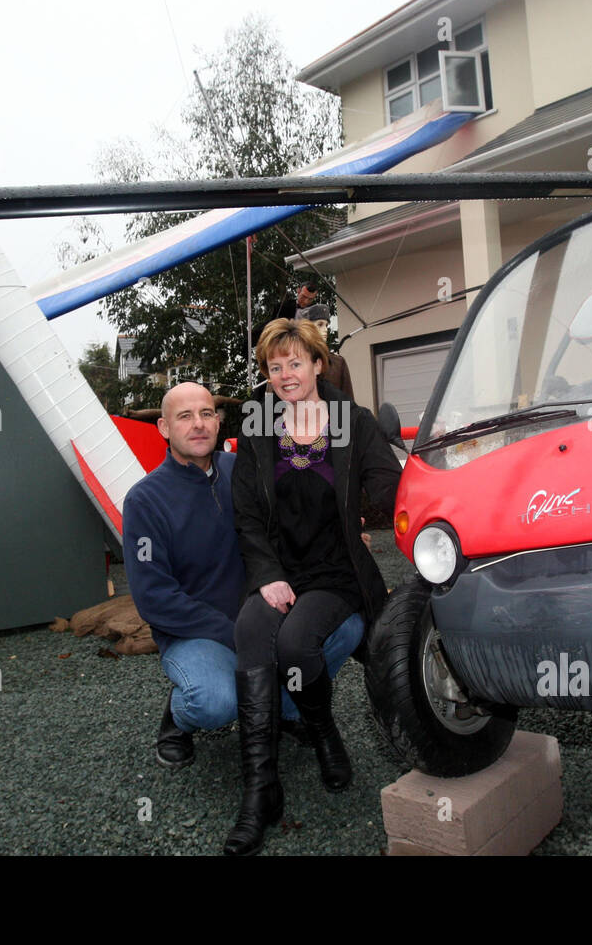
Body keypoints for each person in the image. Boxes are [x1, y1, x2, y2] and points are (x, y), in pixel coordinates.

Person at [224, 319, 402, 856]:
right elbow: (247, 514)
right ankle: (261, 789)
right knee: (251, 631)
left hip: (335, 569)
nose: (285, 375)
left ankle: (323, 733)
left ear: (318, 364)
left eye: (295, 363)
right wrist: (268, 574)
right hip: (280, 567)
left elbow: (389, 487)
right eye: (274, 367)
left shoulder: (351, 420)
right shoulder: (258, 423)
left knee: (297, 645)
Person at [121, 381, 364, 771]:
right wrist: (232, 634)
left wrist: (343, 533)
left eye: (206, 414)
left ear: (218, 422)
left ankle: (285, 710)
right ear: (164, 428)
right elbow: (154, 598)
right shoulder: (145, 500)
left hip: (263, 613)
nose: (198, 424)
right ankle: (178, 717)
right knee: (217, 702)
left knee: (347, 628)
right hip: (197, 632)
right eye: (184, 416)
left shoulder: (244, 468)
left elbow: (294, 522)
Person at [296, 303, 355, 401]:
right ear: (306, 328)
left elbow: (347, 403)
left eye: (326, 325)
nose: (325, 330)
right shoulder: (293, 362)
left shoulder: (338, 363)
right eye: (320, 324)